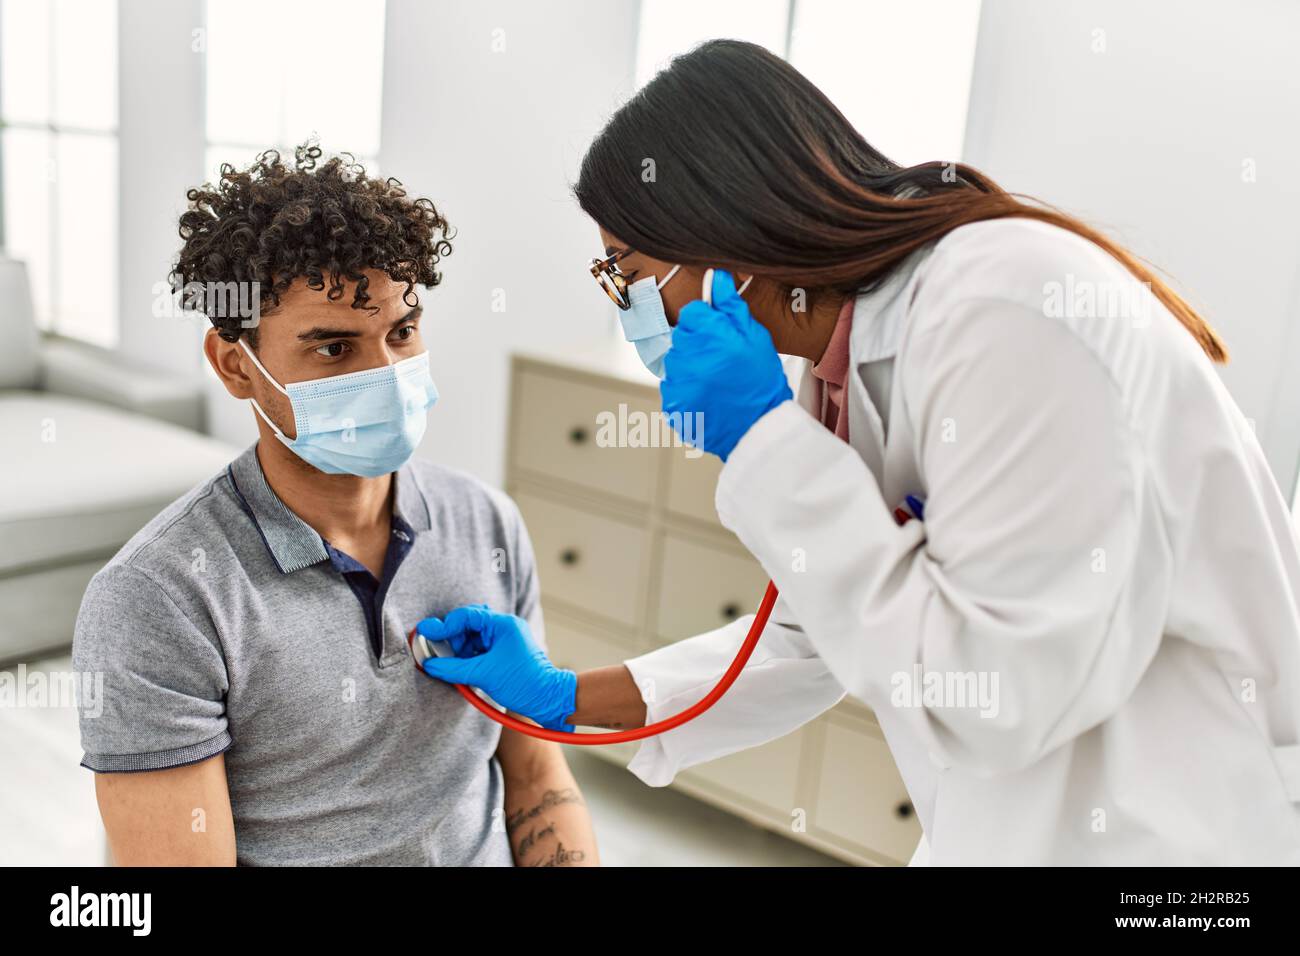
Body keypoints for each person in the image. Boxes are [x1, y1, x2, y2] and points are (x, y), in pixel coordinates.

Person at [416, 41, 1300, 865]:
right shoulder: (847, 370)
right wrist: (565, 694)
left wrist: (764, 443)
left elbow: (989, 693)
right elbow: (816, 640)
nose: (628, 307)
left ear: (720, 238)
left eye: (625, 271)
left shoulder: (1005, 311)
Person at [72, 145, 597, 867]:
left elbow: (537, 780)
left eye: (401, 332)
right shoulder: (159, 599)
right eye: (333, 349)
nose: (386, 375)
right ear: (235, 366)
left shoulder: (488, 523)